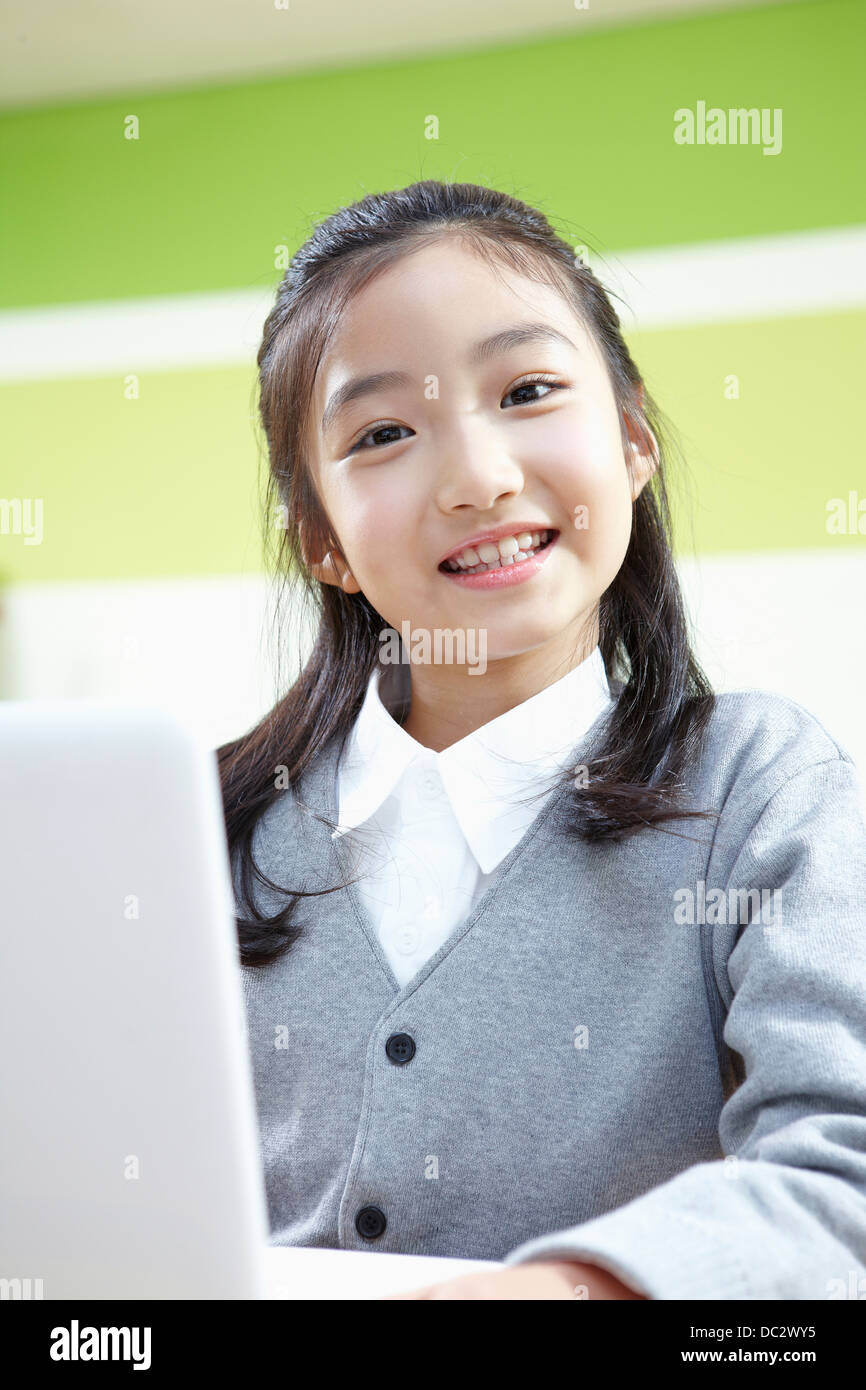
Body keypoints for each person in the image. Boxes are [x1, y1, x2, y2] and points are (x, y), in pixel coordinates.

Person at [217, 180, 866, 1300]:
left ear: (629, 439)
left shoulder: (760, 791)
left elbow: (840, 1172)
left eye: (525, 389)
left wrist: (570, 1288)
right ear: (319, 536)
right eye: (382, 433)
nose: (477, 477)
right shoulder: (205, 825)